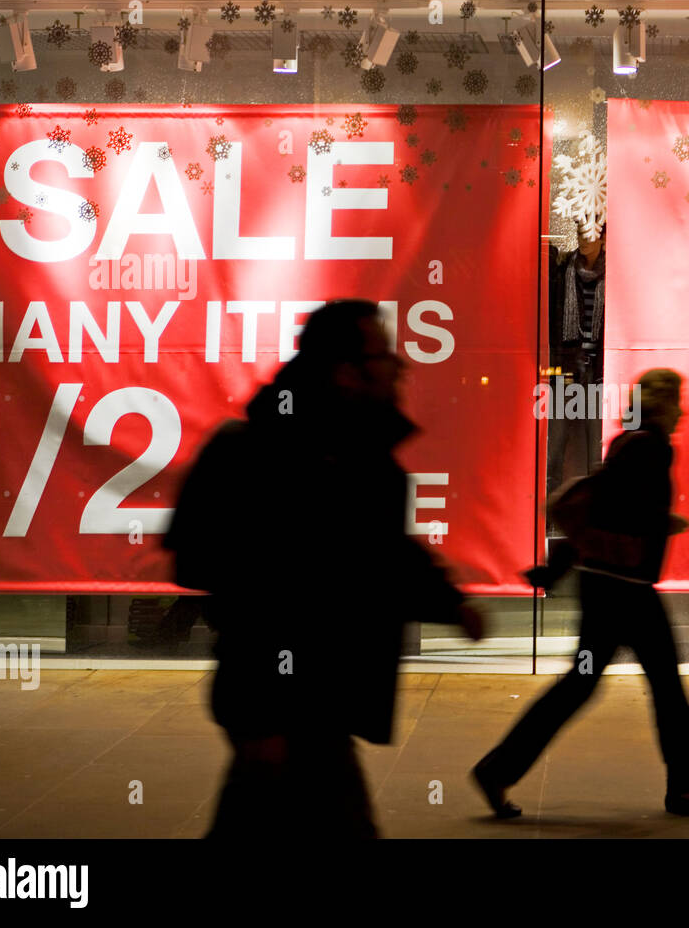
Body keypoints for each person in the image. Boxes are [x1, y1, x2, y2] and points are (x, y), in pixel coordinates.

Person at [165, 299, 483, 841]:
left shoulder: (361, 458)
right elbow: (252, 590)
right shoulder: (263, 458)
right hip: (286, 703)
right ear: (345, 371)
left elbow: (379, 553)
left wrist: (446, 599)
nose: (399, 366)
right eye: (383, 354)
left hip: (321, 697)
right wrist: (262, 715)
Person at [473, 369, 689, 819]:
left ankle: (498, 770)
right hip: (624, 589)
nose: (683, 411)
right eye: (677, 401)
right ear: (661, 405)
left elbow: (609, 509)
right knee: (661, 687)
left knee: (583, 685)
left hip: (606, 584)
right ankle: (684, 787)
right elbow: (617, 511)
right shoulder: (649, 447)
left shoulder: (629, 443)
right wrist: (660, 524)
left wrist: (560, 569)